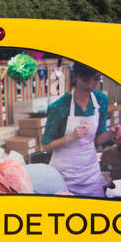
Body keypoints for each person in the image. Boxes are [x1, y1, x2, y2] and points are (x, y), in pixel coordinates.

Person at [41, 62, 110, 197]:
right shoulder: (59, 107)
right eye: (85, 80)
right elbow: (45, 146)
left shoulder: (101, 101)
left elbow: (98, 138)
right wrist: (70, 138)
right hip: (64, 175)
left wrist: (112, 134)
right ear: (76, 76)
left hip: (90, 174)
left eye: (96, 79)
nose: (90, 85)